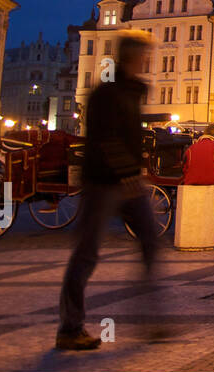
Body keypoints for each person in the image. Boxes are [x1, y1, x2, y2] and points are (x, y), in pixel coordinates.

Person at [56, 31, 162, 350]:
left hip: (129, 181)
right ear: (130, 56)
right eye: (144, 54)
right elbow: (105, 137)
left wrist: (139, 168)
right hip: (103, 181)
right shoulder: (106, 92)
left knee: (150, 242)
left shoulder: (133, 90)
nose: (148, 60)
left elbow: (130, 134)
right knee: (87, 253)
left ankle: (148, 318)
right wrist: (128, 170)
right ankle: (69, 327)